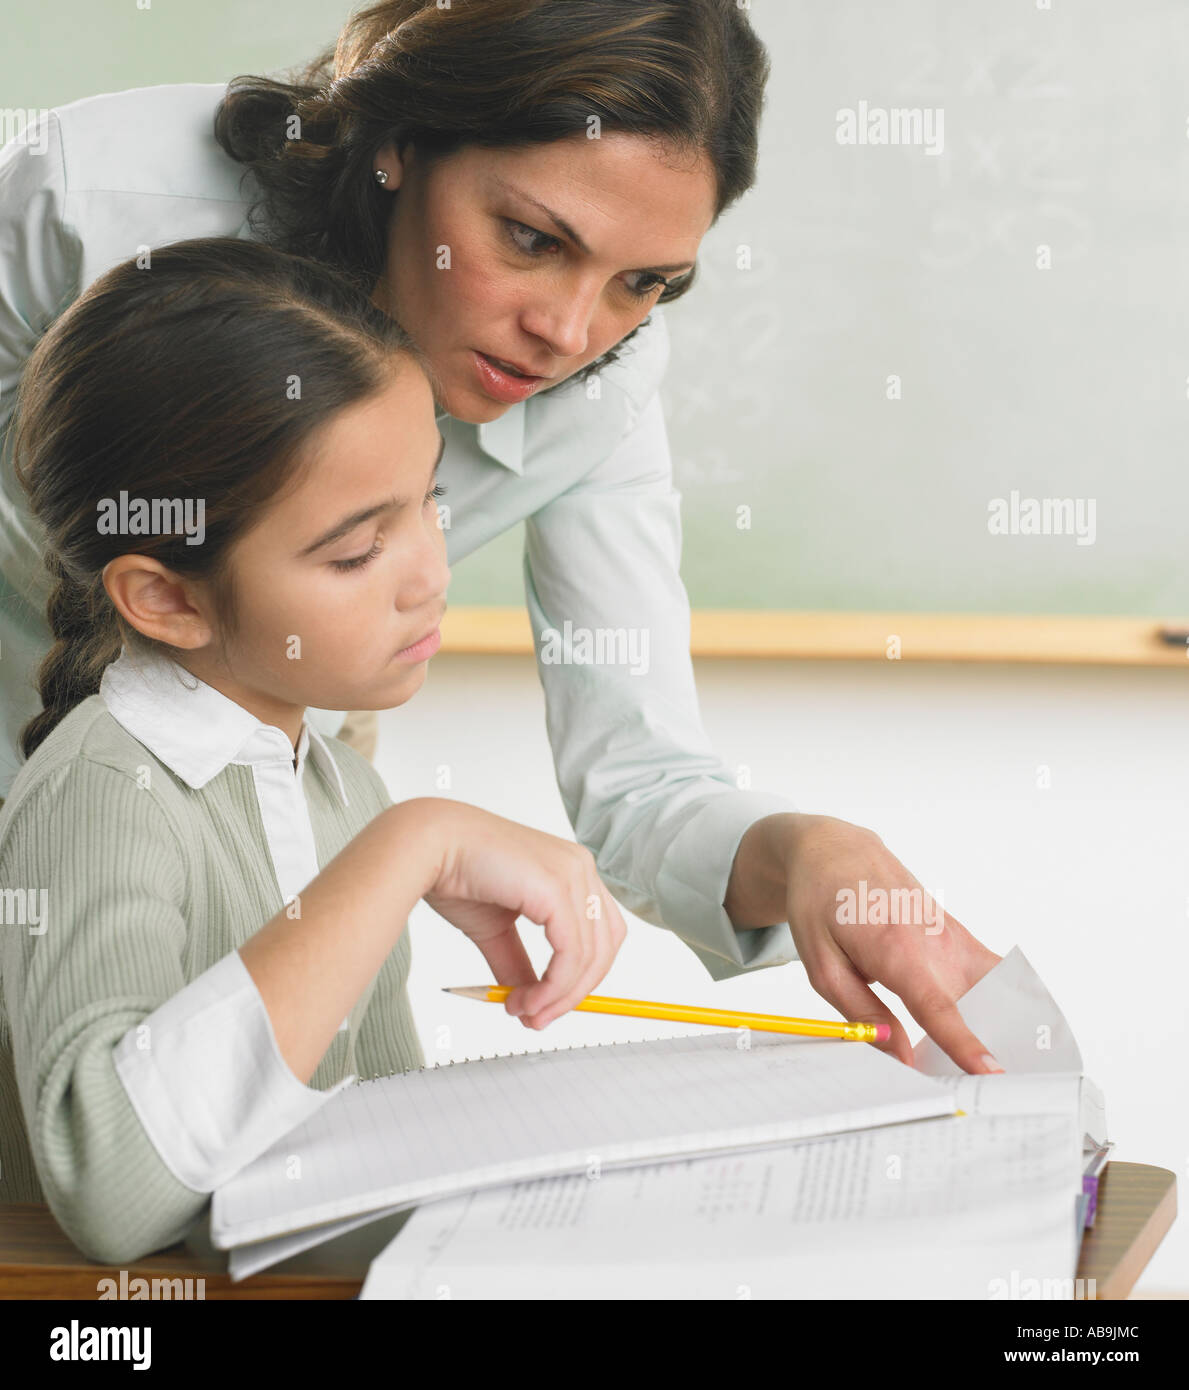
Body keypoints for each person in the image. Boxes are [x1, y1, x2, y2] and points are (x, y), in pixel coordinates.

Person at [0, 0, 1002, 1074]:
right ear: (397, 145)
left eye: (642, 285)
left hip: (270, 768)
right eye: (530, 241)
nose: (570, 333)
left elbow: (640, 782)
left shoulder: (600, 389)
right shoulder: (88, 203)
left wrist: (807, 853)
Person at [0, 236, 630, 1262]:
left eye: (429, 500)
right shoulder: (104, 787)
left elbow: (380, 1147)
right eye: (354, 550)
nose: (427, 573)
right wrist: (409, 847)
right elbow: (107, 1190)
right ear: (164, 597)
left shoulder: (340, 787)